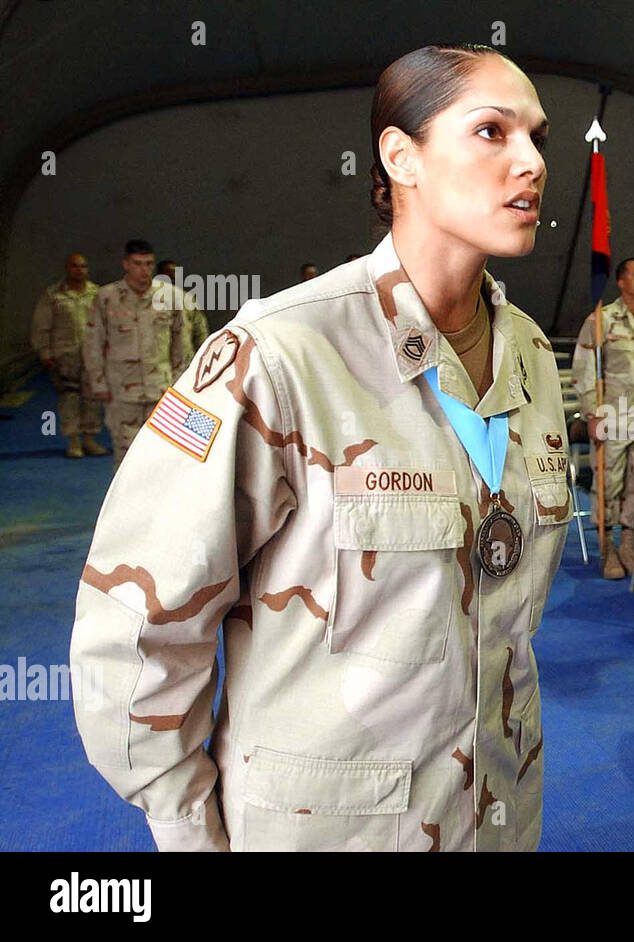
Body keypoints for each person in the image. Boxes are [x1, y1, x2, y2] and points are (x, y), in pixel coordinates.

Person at [69, 43, 567, 852]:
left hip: (498, 813)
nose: (530, 162)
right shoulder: (282, 355)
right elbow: (138, 626)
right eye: (491, 131)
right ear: (400, 156)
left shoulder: (533, 359)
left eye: (538, 138)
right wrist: (188, 828)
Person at [572, 257, 634, 579]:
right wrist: (591, 414)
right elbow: (584, 371)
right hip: (613, 417)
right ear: (621, 281)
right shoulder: (601, 320)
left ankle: (629, 544)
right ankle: (608, 549)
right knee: (607, 483)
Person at [82, 239, 192, 468]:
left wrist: (180, 385)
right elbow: (93, 341)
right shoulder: (106, 297)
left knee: (164, 452)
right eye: (138, 263)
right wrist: (98, 382)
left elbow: (181, 344)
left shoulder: (171, 296)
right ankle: (126, 503)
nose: (144, 270)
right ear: (125, 264)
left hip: (161, 388)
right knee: (125, 454)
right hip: (122, 390)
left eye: (149, 264)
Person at [30, 253, 107, 458]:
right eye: (74, 266)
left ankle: (90, 439)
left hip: (93, 354)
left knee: (92, 398)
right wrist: (45, 351)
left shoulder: (97, 293)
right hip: (66, 355)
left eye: (83, 266)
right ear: (67, 268)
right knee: (69, 398)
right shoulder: (53, 295)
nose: (79, 270)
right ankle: (74, 441)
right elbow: (41, 326)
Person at [157, 258, 210, 362]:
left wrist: (204, 355)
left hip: (183, 360)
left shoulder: (187, 299)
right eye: (168, 271)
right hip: (157, 362)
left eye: (175, 272)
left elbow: (200, 330)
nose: (172, 275)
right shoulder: (148, 299)